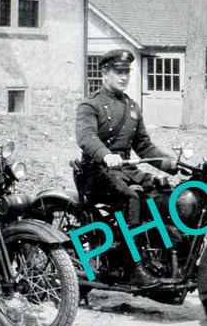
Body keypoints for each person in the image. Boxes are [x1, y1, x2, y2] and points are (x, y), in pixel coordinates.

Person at [75, 48, 177, 288]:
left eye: (126, 72)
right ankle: (134, 268)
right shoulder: (90, 105)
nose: (123, 77)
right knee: (131, 197)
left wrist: (170, 163)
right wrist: (106, 155)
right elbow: (86, 137)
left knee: (163, 194)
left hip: (126, 169)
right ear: (104, 73)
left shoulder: (132, 107)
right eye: (118, 72)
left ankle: (164, 256)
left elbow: (144, 145)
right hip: (97, 172)